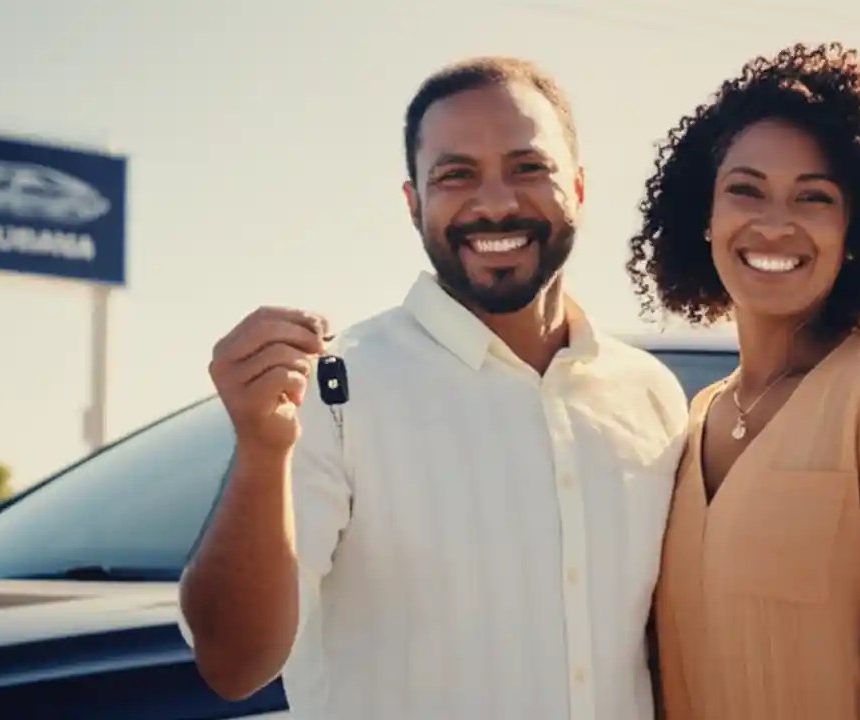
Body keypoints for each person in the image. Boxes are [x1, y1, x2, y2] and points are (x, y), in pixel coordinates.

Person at [178, 56, 688, 720]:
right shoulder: (332, 393)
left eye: (528, 168)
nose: (497, 202)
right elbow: (233, 667)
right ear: (414, 203)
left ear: (581, 189)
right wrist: (260, 451)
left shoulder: (652, 395)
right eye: (456, 175)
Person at [627, 43, 860, 719]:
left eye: (814, 197)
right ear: (704, 218)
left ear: (856, 229)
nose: (774, 222)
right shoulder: (695, 420)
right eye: (745, 189)